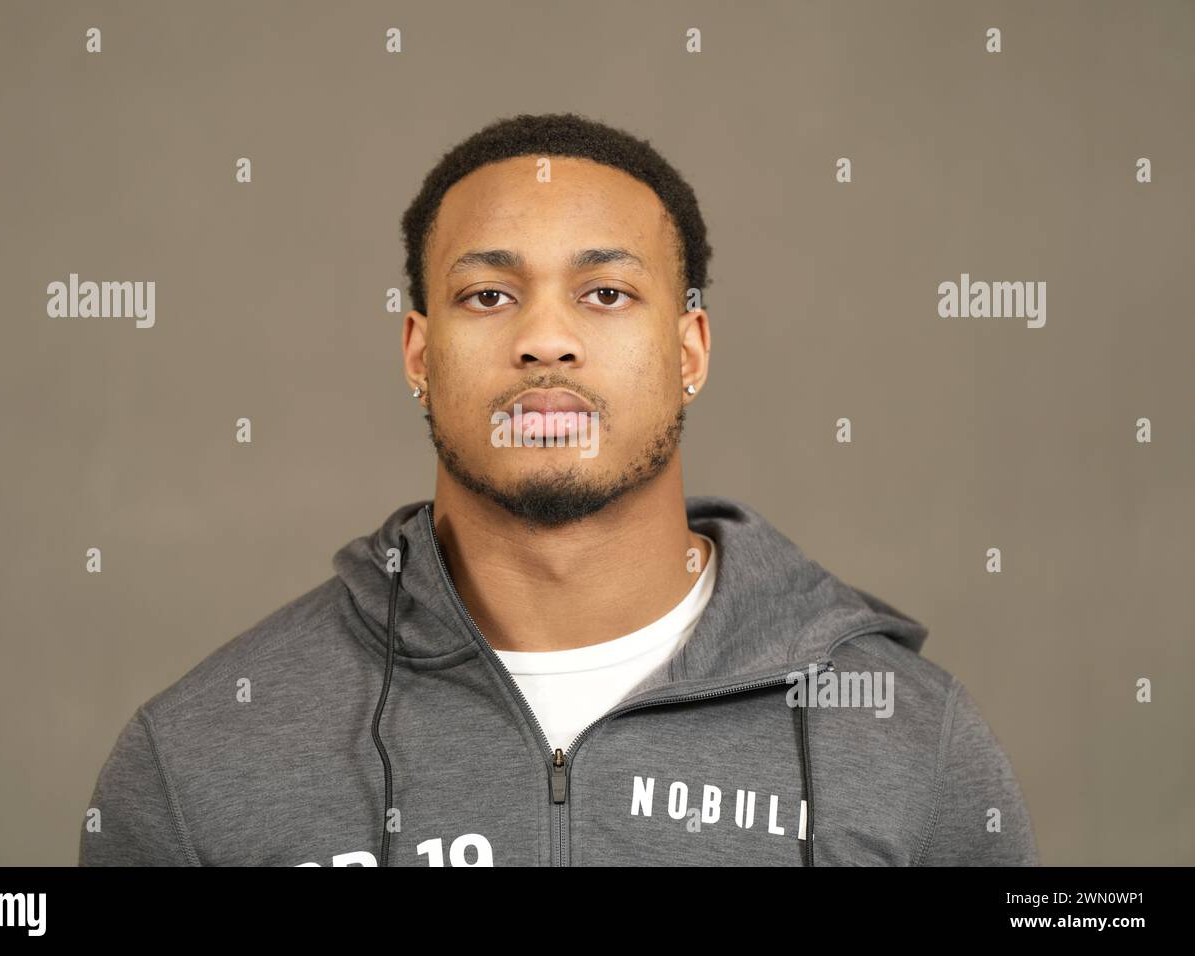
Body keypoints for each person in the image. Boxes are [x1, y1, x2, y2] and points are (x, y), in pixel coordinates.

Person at [80, 112, 1037, 866]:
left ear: (689, 349)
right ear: (418, 353)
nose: (545, 340)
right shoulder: (202, 755)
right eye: (488, 296)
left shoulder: (909, 738)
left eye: (607, 294)